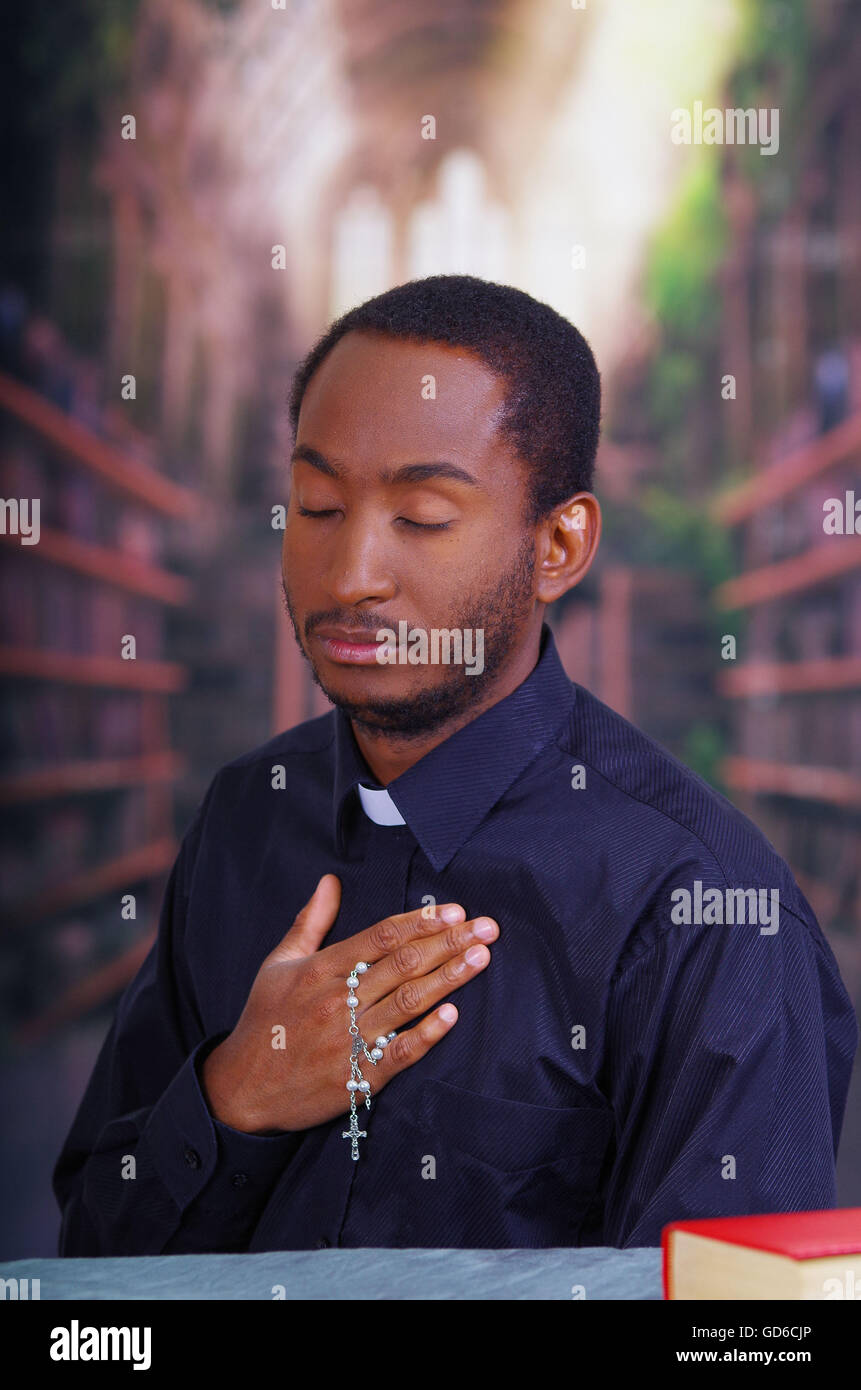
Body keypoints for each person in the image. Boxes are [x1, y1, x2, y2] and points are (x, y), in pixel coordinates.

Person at [54, 275, 858, 1254]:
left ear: (558, 544)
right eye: (314, 505)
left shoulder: (708, 908)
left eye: (424, 517)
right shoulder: (246, 818)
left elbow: (744, 1338)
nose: (349, 575)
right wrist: (237, 1093)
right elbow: (92, 1255)